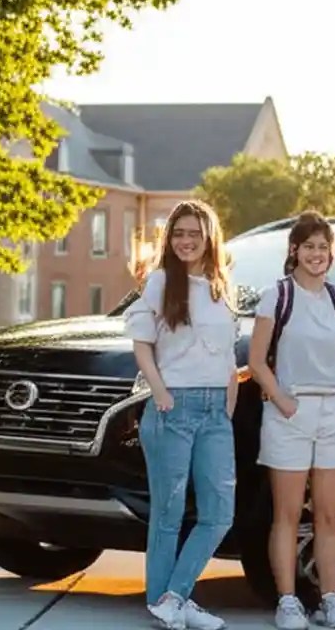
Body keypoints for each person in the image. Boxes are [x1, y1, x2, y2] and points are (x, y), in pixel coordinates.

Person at [125, 200, 239, 630]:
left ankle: (174, 597)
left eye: (194, 233)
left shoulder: (219, 288)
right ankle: (166, 602)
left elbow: (228, 354)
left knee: (219, 513)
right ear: (169, 240)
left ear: (209, 238)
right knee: (168, 514)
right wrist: (161, 394)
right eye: (178, 234)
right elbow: (141, 343)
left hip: (214, 412)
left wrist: (227, 402)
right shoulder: (159, 283)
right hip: (173, 408)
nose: (186, 241)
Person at [248, 212, 335, 630]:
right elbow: (257, 360)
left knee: (331, 515)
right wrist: (282, 401)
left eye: (323, 247)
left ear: (331, 253)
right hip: (288, 412)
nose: (316, 254)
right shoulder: (276, 296)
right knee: (287, 514)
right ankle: (288, 601)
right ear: (294, 250)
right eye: (308, 246)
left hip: (332, 415)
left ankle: (330, 600)